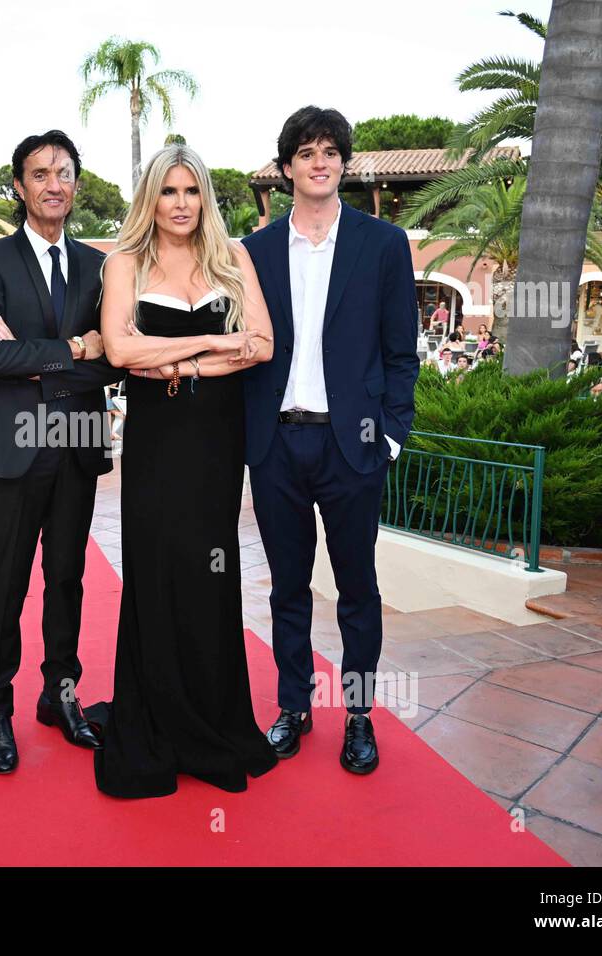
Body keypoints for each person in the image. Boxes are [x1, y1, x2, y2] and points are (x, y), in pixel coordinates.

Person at [88, 143, 278, 799]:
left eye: (191, 192)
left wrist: (176, 364)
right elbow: (119, 348)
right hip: (157, 444)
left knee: (210, 572)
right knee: (156, 568)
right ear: (151, 199)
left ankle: (215, 717)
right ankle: (156, 717)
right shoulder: (124, 264)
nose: (180, 204)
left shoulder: (233, 259)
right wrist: (213, 341)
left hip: (216, 442)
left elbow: (262, 344)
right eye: (168, 192)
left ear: (205, 198)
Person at [240, 106, 419, 775]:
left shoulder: (383, 245)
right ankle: (293, 708)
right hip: (277, 445)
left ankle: (360, 715)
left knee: (358, 589)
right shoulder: (252, 252)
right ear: (287, 168)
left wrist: (392, 437)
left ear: (343, 164)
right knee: (287, 587)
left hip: (355, 447)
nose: (320, 162)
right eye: (307, 152)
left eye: (331, 152)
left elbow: (403, 352)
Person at [0, 131, 123, 773]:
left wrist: (36, 356)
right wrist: (71, 349)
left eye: (63, 173)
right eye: (39, 174)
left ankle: (60, 697)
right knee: (6, 583)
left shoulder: (99, 266)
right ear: (19, 187)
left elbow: (115, 356)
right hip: (15, 448)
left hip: (78, 444)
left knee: (68, 578)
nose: (53, 184)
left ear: (76, 185)